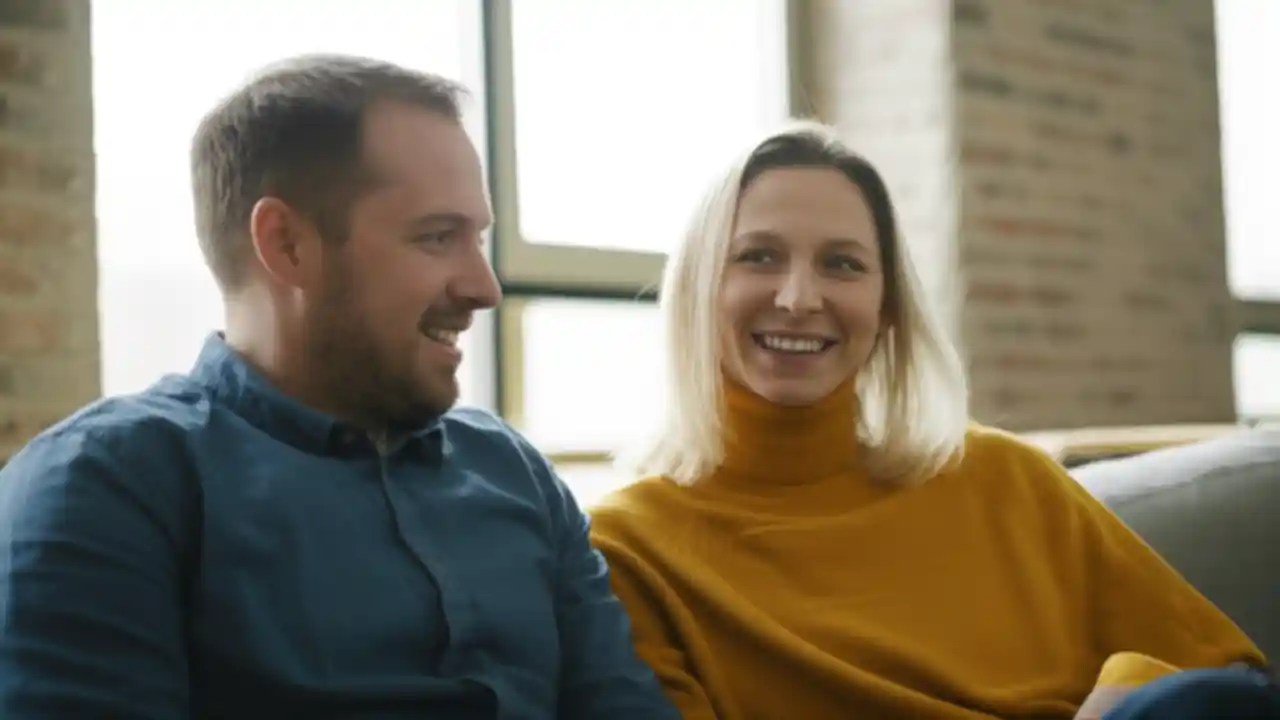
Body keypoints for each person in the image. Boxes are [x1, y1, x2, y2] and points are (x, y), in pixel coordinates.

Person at [0, 54, 677, 720]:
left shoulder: (512, 471)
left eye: (479, 240)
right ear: (287, 245)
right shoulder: (110, 485)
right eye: (438, 237)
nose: (484, 288)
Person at [588, 120, 1275, 719]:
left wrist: (1130, 685)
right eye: (758, 256)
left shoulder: (1005, 478)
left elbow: (1229, 677)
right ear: (699, 285)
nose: (799, 298)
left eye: (842, 264)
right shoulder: (628, 548)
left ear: (888, 307)